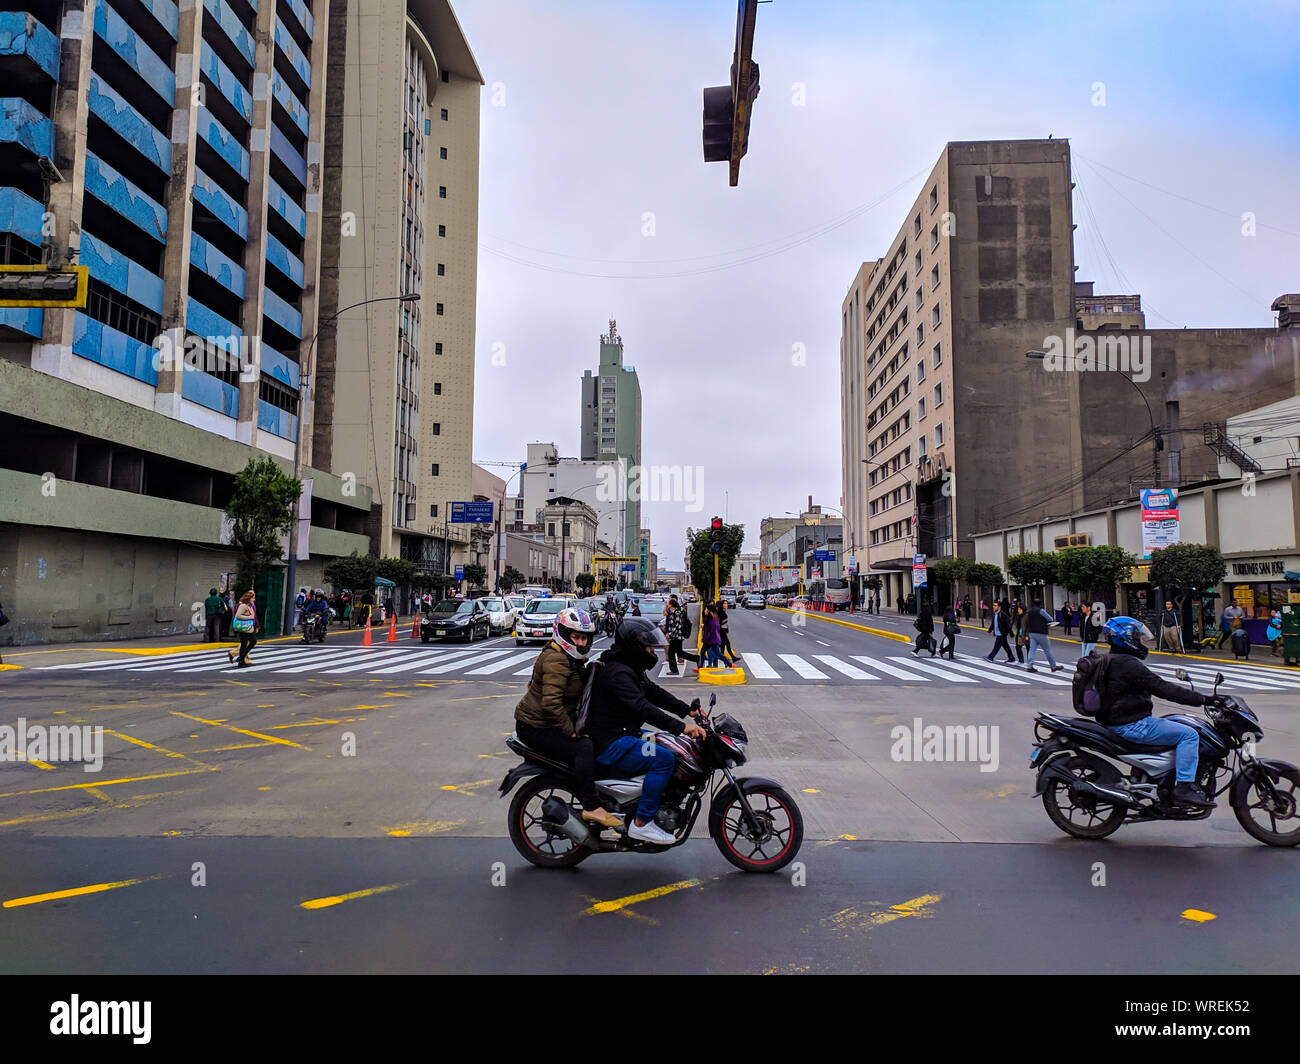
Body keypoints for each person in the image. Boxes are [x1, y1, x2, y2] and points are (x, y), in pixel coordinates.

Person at [587, 617, 707, 844]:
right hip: (612, 743)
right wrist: (683, 728)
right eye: (649, 646)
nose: (653, 651)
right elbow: (643, 708)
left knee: (667, 744)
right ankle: (642, 823)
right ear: (634, 646)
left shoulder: (629, 668)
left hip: (625, 735)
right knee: (663, 759)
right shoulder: (618, 674)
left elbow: (654, 692)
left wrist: (687, 711)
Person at [513, 607, 622, 830]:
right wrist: (572, 732)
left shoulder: (568, 658)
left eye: (584, 637)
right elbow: (551, 705)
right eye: (576, 637)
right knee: (583, 747)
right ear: (562, 634)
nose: (581, 643)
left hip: (544, 722)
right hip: (535, 726)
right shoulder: (557, 659)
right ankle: (591, 806)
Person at [1094, 616, 1218, 808]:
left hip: (1119, 720)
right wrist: (1202, 699)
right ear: (1127, 639)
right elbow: (1162, 688)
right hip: (1131, 724)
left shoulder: (1111, 659)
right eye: (1139, 638)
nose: (1143, 642)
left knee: (1174, 724)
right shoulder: (1128, 664)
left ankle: (1157, 776)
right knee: (1189, 734)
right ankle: (1184, 787)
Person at [1023, 599, 1064, 672]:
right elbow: (1050, 618)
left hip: (1031, 632)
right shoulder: (1041, 611)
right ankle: (1053, 666)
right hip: (1041, 633)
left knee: (1032, 650)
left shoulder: (1029, 611)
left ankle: (1029, 666)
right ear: (1040, 604)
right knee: (1047, 650)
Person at [663, 595, 698, 675]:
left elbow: (678, 626)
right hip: (675, 636)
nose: (667, 604)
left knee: (671, 653)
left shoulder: (677, 613)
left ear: (671, 605)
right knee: (680, 653)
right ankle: (696, 659)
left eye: (668, 603)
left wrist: (670, 634)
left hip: (676, 636)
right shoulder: (672, 612)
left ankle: (674, 670)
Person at [229, 590, 258, 667]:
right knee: (245, 644)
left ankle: (241, 658)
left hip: (248, 628)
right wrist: (249, 617)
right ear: (249, 598)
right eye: (253, 598)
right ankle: (241, 661)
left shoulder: (249, 606)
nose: (254, 599)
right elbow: (238, 616)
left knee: (252, 642)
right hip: (244, 628)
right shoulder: (243, 606)